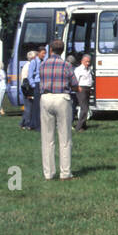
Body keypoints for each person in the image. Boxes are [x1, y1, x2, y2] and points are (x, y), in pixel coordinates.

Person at [39, 39, 78, 180]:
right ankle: (65, 173)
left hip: (46, 98)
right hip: (62, 98)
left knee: (47, 138)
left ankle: (48, 173)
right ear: (62, 50)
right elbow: (74, 84)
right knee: (65, 138)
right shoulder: (66, 65)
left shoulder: (43, 65)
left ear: (50, 50)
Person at [74, 53, 94, 131]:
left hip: (88, 89)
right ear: (82, 61)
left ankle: (83, 125)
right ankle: (78, 127)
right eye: (86, 62)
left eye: (89, 62)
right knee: (84, 108)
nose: (88, 63)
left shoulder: (89, 69)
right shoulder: (78, 69)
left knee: (86, 107)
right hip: (81, 89)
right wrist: (78, 88)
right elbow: (75, 81)